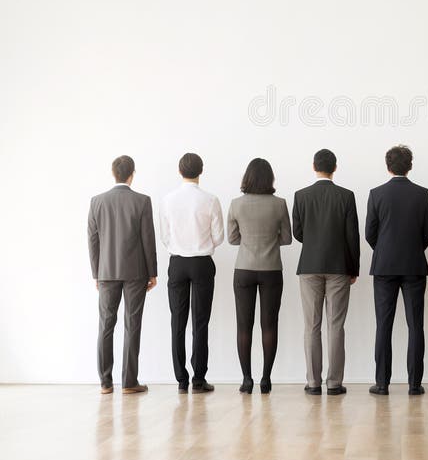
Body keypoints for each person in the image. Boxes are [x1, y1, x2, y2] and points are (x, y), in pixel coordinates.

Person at [365, 145, 428, 396]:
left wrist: (383, 249)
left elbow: (370, 233)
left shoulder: (376, 194)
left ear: (388, 166)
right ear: (410, 166)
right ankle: (415, 384)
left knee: (383, 325)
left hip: (384, 266)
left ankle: (382, 383)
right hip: (414, 265)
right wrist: (413, 249)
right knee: (416, 325)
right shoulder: (422, 194)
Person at [88, 155, 157, 395]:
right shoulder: (142, 201)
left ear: (113, 173)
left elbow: (92, 240)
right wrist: (153, 272)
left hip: (106, 272)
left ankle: (105, 383)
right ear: (132, 174)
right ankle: (129, 382)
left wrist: (96, 273)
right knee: (132, 324)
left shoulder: (97, 202)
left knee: (106, 324)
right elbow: (148, 239)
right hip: (136, 272)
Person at [293, 149, 360, 396]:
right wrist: (354, 268)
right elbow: (352, 236)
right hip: (339, 267)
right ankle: (334, 383)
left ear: (314, 166)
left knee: (311, 326)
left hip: (309, 266)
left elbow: (298, 232)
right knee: (336, 325)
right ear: (335, 167)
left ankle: (313, 383)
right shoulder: (346, 196)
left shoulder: (301, 196)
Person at [159, 152, 223, 394]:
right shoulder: (210, 200)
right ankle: (199, 379)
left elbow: (165, 236)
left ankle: (181, 380)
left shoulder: (167, 200)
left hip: (177, 263)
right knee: (200, 322)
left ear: (179, 171)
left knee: (177, 321)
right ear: (201, 171)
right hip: (202, 263)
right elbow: (218, 237)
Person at [227, 158, 291, 394]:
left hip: (243, 268)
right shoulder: (280, 204)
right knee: (269, 325)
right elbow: (286, 239)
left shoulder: (236, 204)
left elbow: (232, 239)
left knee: (244, 326)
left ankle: (246, 379)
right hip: (272, 269)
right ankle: (266, 379)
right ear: (270, 178)